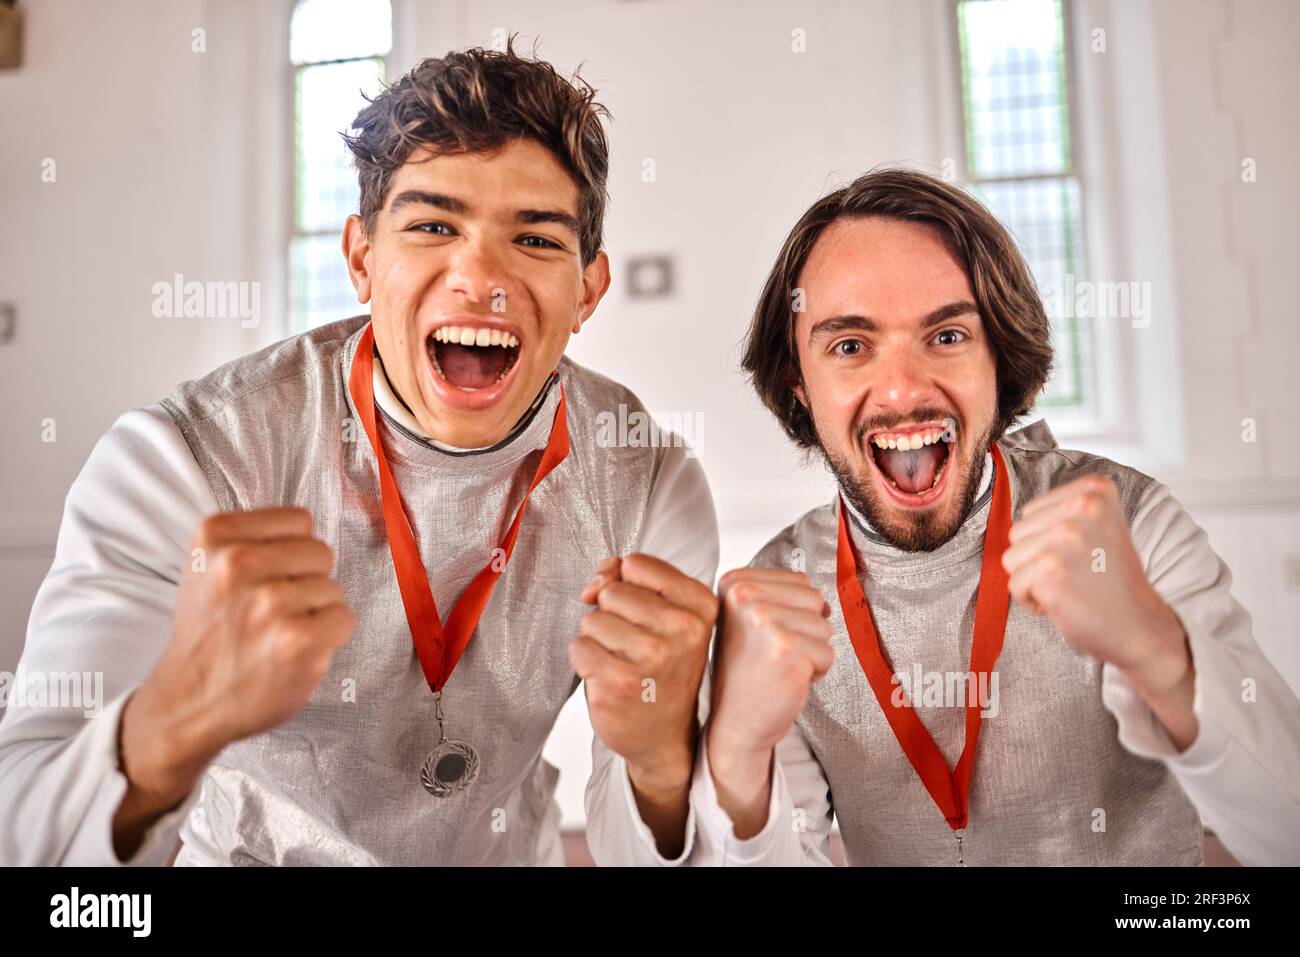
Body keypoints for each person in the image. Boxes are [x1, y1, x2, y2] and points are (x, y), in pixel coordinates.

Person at [0, 43, 719, 867]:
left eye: (534, 239)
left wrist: (663, 762)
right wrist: (172, 721)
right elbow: (25, 830)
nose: (480, 278)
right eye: (433, 225)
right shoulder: (187, 460)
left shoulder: (650, 483)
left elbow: (651, 850)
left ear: (587, 291)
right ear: (361, 260)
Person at [690, 167, 1300, 866]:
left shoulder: (1129, 525)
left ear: (999, 358)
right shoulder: (778, 595)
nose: (902, 389)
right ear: (799, 384)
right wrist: (736, 750)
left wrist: (1157, 650)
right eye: (850, 346)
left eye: (947, 336)